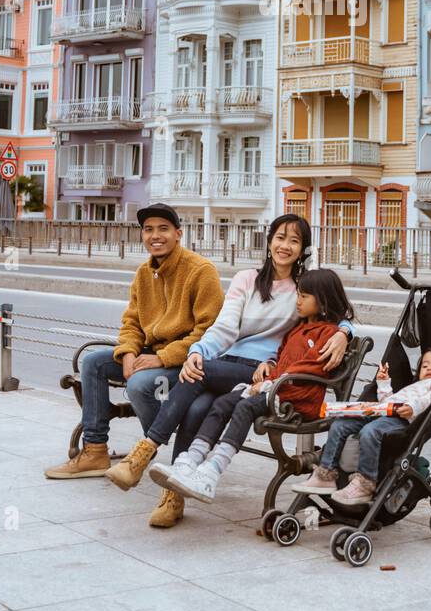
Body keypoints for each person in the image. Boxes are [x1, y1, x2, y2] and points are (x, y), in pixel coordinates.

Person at [103, 214, 352, 508]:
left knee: (197, 378)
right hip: (222, 363)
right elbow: (224, 327)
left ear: (303, 249)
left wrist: (344, 333)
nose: (285, 246)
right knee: (196, 402)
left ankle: (143, 455)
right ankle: (175, 495)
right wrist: (197, 352)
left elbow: (335, 310)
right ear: (269, 240)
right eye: (280, 238)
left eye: (294, 241)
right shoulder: (246, 279)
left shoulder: (303, 289)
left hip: (255, 371)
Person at [44, 204, 223, 529]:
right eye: (149, 229)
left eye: (163, 229)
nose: (155, 236)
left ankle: (164, 468)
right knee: (95, 362)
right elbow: (131, 322)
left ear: (178, 234)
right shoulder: (144, 273)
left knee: (141, 385)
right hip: (147, 355)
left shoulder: (201, 271)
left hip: (186, 360)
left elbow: (209, 331)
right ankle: (96, 449)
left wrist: (163, 357)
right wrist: (127, 352)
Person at [152, 268, 353, 503]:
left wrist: (271, 384)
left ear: (323, 301)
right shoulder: (297, 330)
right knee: (223, 402)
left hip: (295, 399)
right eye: (297, 294)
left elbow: (312, 367)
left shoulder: (328, 333)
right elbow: (281, 357)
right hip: (278, 389)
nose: (296, 302)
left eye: (303, 297)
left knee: (244, 407)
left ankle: (212, 471)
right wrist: (268, 365)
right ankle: (190, 461)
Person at [296, 348, 431, 507]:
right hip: (381, 411)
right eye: (425, 365)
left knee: (370, 432)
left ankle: (365, 483)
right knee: (340, 425)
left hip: (400, 421)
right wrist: (384, 382)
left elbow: (429, 400)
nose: (430, 368)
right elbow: (388, 400)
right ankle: (326, 474)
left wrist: (412, 407)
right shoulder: (414, 386)